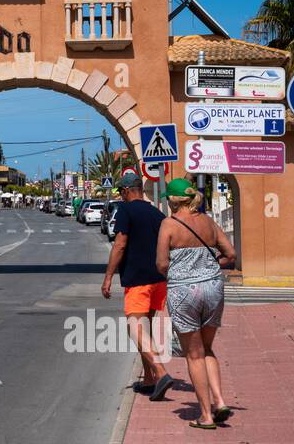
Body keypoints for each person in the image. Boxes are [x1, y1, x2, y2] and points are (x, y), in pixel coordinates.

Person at [155, 177, 237, 429]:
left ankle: (205, 415)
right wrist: (209, 266)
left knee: (194, 354)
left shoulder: (169, 224)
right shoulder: (209, 222)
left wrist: (180, 272)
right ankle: (220, 401)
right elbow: (230, 254)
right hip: (213, 287)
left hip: (184, 292)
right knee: (208, 348)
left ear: (173, 200)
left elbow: (161, 264)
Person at [101, 172, 173, 400]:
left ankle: (160, 372)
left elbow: (120, 245)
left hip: (139, 281)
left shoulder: (126, 210)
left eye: (121, 193)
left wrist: (108, 277)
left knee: (135, 328)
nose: (121, 197)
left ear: (126, 191)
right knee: (146, 328)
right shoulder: (157, 213)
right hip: (158, 279)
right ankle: (150, 380)